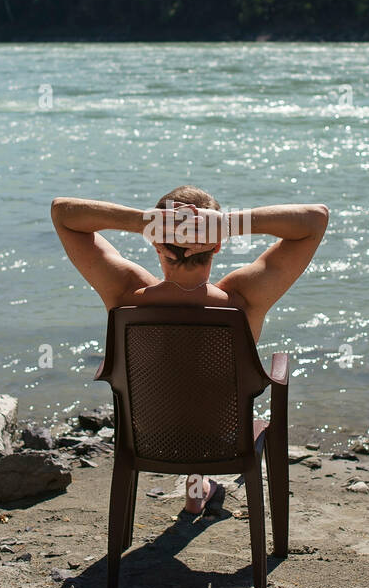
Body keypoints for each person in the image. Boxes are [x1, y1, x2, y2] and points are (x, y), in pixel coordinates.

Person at [51, 185, 329, 517]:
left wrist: (143, 221)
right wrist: (227, 223)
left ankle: (196, 491)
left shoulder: (125, 292)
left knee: (178, 385)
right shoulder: (243, 300)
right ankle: (197, 487)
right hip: (223, 438)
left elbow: (62, 213)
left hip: (149, 437)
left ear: (154, 240)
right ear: (218, 245)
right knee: (202, 390)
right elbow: (315, 220)